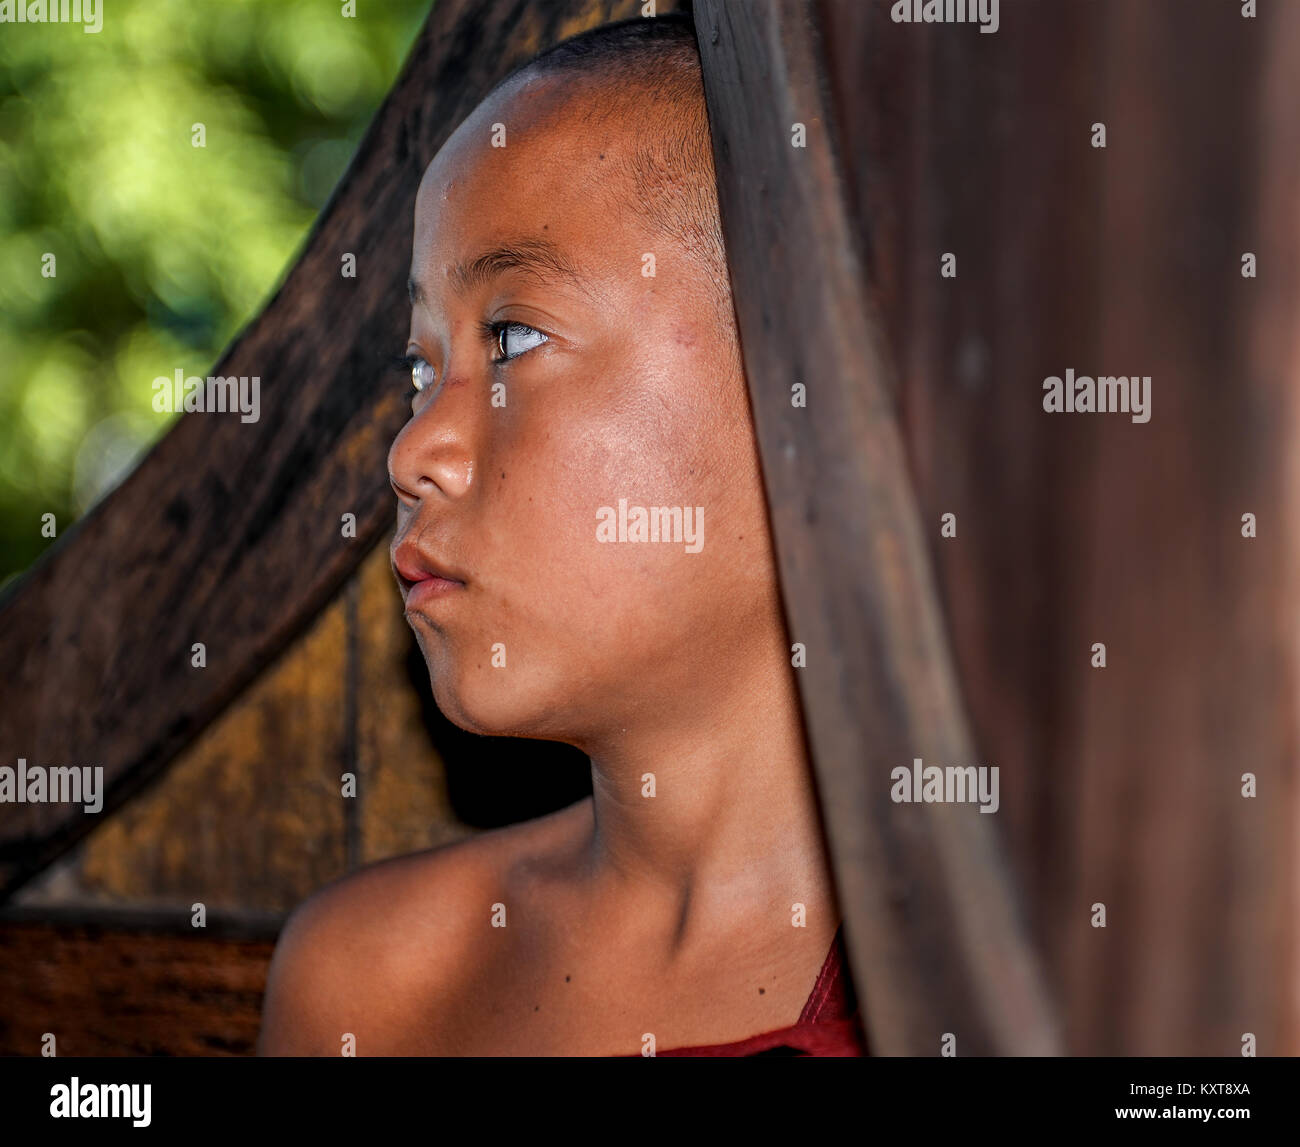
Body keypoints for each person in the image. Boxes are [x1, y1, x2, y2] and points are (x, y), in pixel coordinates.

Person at [258, 11, 866, 1057]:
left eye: (513, 335)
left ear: (808, 377)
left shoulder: (1033, 967)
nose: (414, 450)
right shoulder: (374, 982)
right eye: (418, 369)